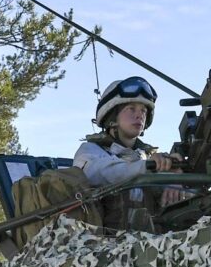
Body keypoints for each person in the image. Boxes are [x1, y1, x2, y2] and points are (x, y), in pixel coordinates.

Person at [72, 76, 186, 228]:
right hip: (103, 245)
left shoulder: (146, 157)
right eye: (131, 109)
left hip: (149, 244)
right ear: (112, 117)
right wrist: (150, 166)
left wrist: (175, 178)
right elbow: (105, 173)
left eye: (143, 111)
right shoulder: (89, 151)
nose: (140, 115)